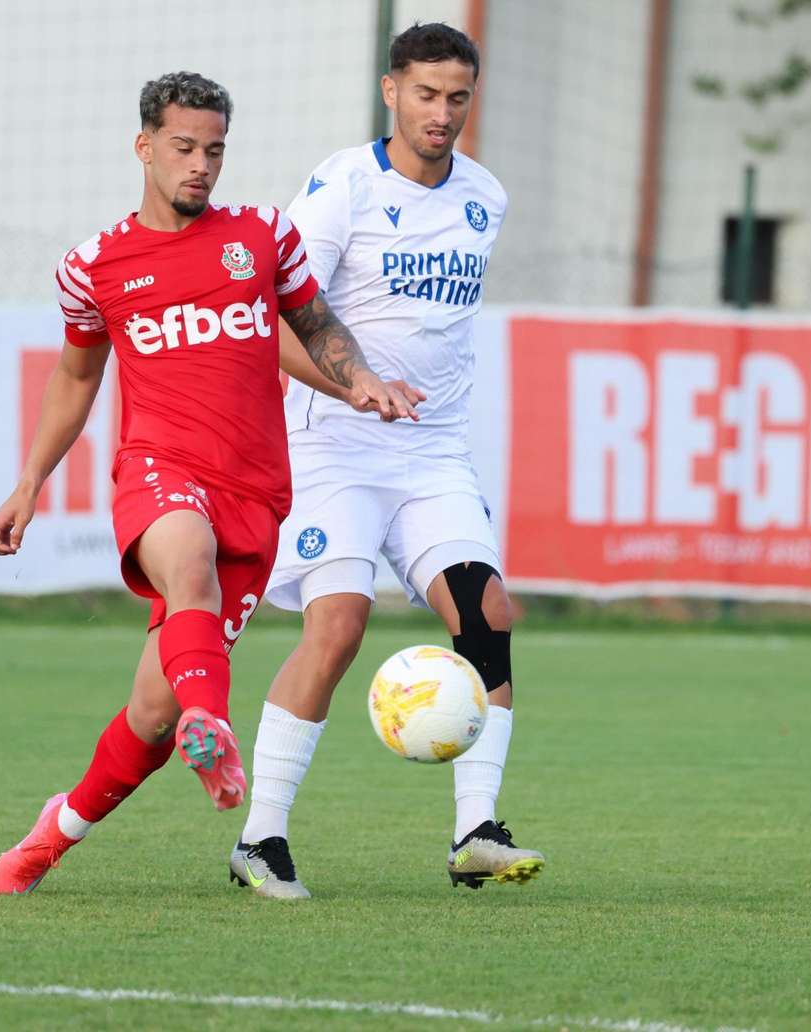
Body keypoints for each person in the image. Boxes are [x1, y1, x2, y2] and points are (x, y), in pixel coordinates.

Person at [0, 71, 417, 896]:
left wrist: (358, 379)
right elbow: (76, 377)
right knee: (187, 563)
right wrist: (30, 481)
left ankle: (56, 830)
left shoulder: (260, 237)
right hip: (160, 468)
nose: (200, 167)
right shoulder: (95, 267)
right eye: (183, 148)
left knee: (147, 712)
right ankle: (209, 725)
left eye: (214, 150)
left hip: (256, 493)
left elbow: (314, 326)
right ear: (143, 147)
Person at [229, 23, 543, 899]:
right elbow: (272, 321)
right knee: (338, 626)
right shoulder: (342, 189)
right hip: (334, 446)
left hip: (433, 450)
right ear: (390, 90)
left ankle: (475, 831)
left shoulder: (486, 197)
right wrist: (355, 384)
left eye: (458, 98)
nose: (442, 113)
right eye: (426, 94)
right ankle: (262, 839)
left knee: (488, 611)